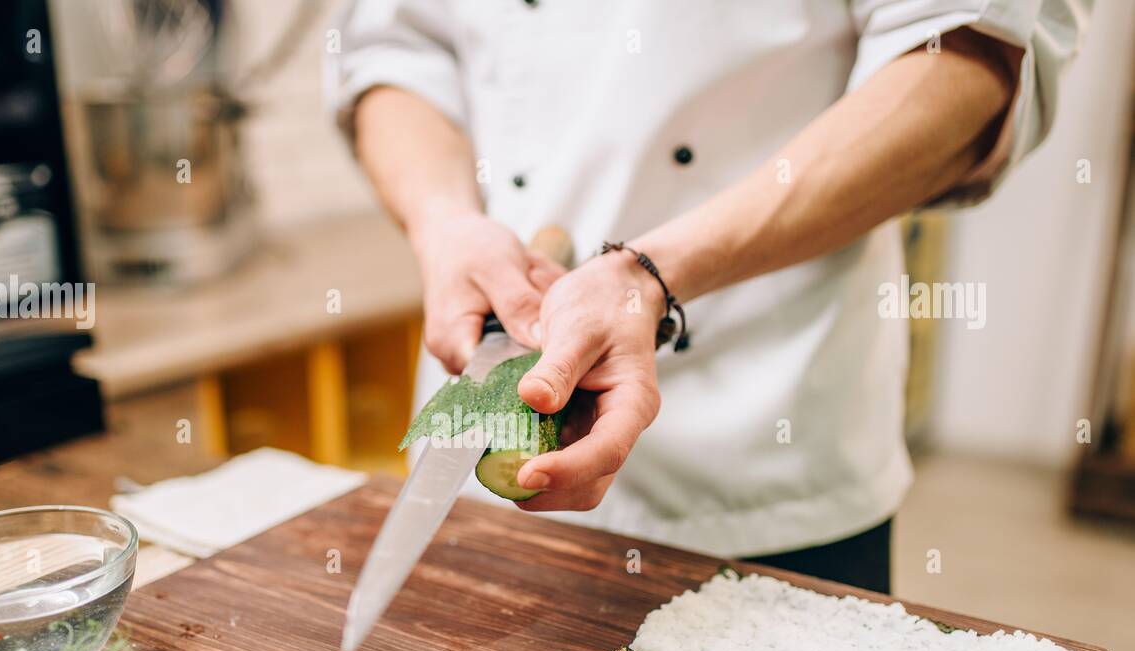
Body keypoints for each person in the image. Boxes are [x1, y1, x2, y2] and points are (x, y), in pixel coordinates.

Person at [325, 0, 1087, 593]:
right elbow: (395, 47)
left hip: (764, 444)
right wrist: (444, 222)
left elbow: (967, 46)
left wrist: (653, 272)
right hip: (483, 443)